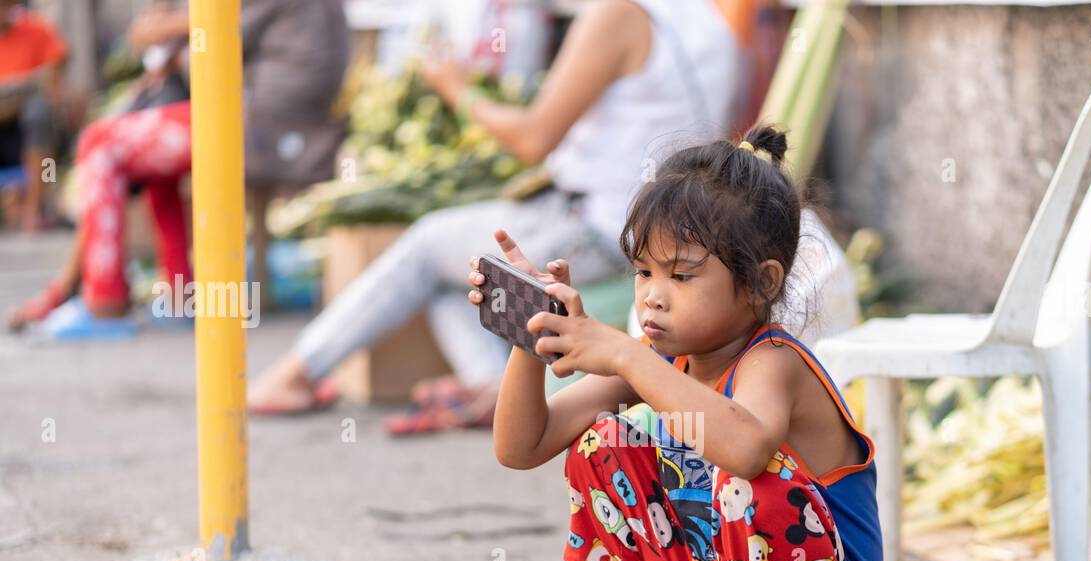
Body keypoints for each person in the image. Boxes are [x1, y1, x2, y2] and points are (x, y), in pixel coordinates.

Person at [471, 125, 889, 561]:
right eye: (642, 271)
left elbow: (746, 451)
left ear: (763, 281)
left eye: (681, 275)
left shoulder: (772, 362)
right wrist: (532, 339)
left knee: (749, 472)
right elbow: (523, 446)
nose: (651, 296)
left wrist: (624, 358)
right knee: (601, 442)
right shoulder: (664, 364)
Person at [248, 0, 744, 426]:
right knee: (458, 275)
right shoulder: (711, 22)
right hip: (667, 232)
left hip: (600, 228)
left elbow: (532, 137)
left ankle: (296, 373)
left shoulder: (619, 14)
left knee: (426, 244)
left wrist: (454, 87)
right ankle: (493, 390)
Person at [7, 0, 349, 336]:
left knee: (100, 141)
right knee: (152, 161)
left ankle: (104, 299)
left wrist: (162, 30)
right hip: (275, 122)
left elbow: (214, 28)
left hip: (260, 126)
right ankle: (178, 293)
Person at [0, 0, 69, 232]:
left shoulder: (36, 29)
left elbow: (55, 73)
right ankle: (14, 200)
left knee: (41, 116)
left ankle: (37, 206)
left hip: (39, 139)